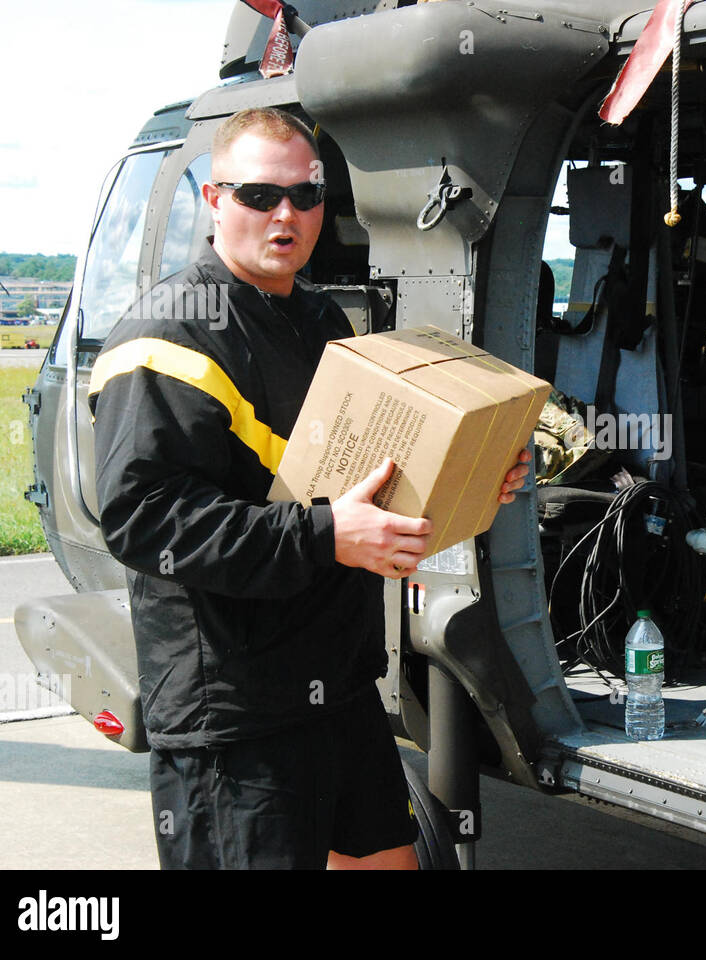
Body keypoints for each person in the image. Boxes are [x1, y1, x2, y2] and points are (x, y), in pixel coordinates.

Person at [89, 107, 531, 869]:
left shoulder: (320, 320)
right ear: (214, 200)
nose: (285, 214)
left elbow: (365, 470)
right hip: (234, 710)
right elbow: (143, 520)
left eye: (306, 195)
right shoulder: (164, 340)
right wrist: (329, 535)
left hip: (336, 684)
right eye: (259, 195)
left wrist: (474, 474)